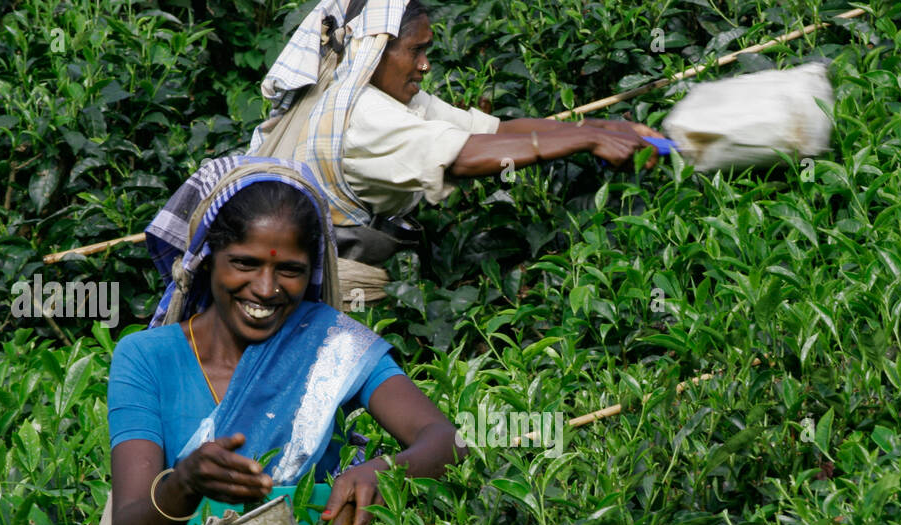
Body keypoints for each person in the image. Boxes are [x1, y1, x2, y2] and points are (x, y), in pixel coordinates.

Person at [106, 156, 460, 525]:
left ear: (312, 270)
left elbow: (446, 440)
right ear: (208, 257)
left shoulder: (332, 342)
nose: (266, 288)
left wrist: (385, 471)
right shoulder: (147, 358)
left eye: (289, 270)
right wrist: (185, 482)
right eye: (244, 263)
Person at [250, 0, 662, 307]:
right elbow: (463, 154)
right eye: (416, 51)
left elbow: (495, 131)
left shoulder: (384, 99)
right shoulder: (359, 116)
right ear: (374, 50)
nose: (426, 66)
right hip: (318, 298)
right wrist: (587, 142)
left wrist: (605, 128)